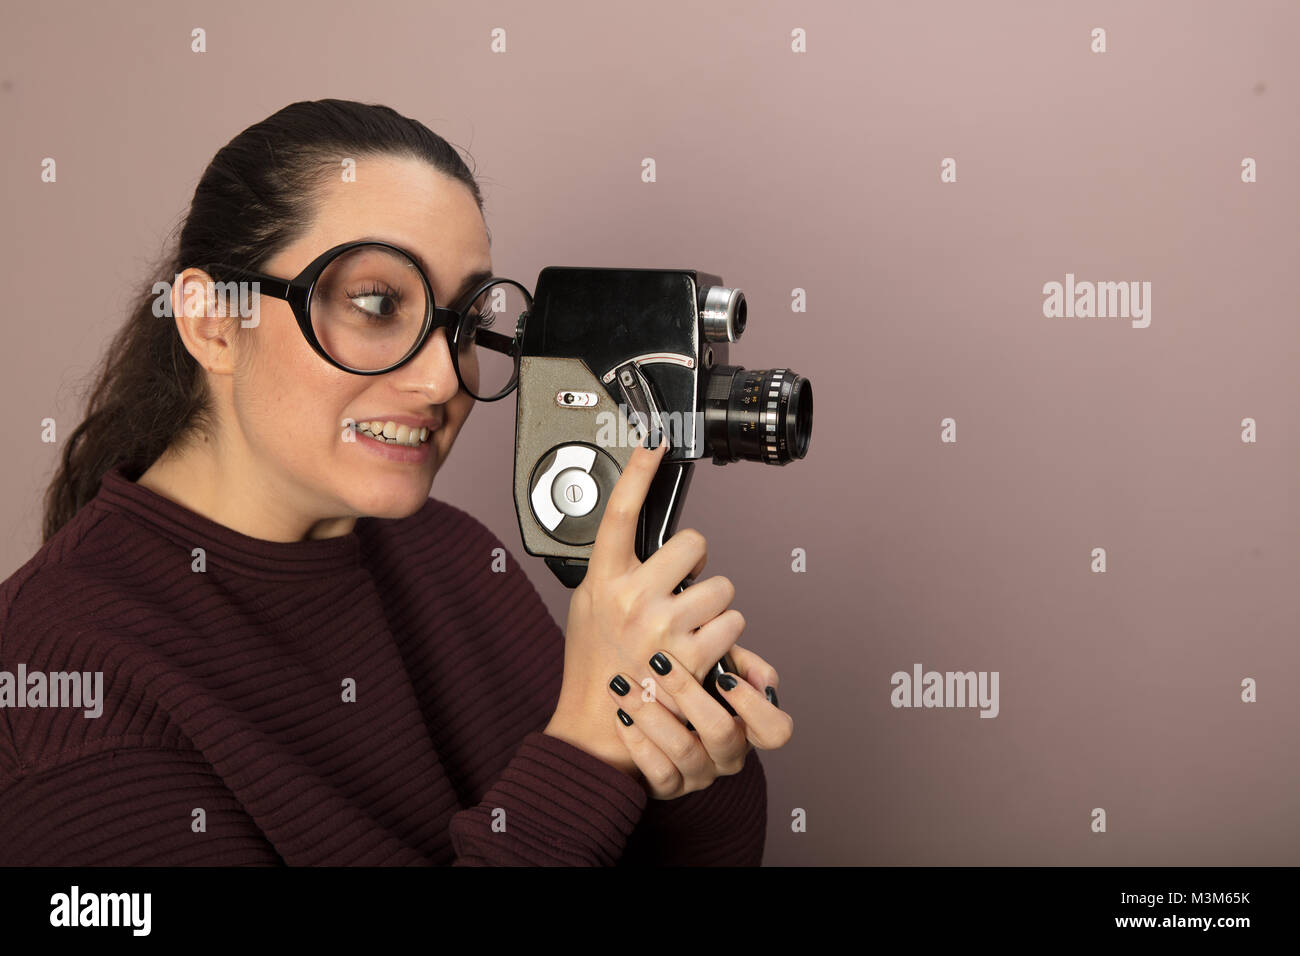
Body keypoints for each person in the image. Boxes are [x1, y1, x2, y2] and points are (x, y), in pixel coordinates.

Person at [0, 99, 792, 866]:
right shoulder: (61, 692)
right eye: (377, 303)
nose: (441, 378)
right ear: (212, 322)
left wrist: (682, 763)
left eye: (464, 323)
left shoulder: (452, 557)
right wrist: (585, 748)